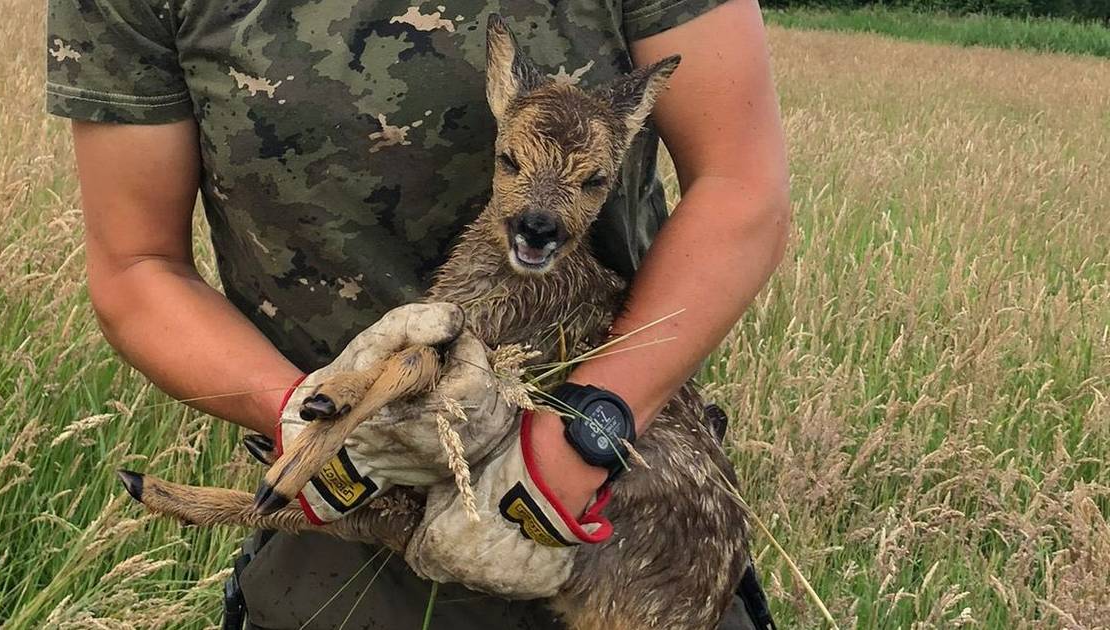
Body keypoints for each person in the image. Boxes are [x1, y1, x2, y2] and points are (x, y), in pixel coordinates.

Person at [46, 0, 790, 627]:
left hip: (632, 510)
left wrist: (588, 430)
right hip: (346, 564)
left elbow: (741, 182)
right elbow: (136, 266)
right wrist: (309, 422)